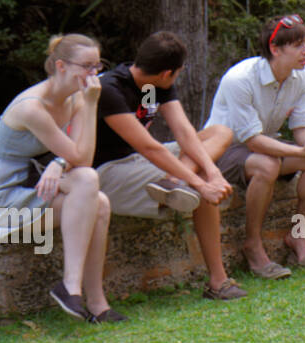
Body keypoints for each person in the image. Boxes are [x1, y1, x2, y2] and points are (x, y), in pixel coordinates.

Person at [0, 34, 121, 323]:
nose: (95, 74)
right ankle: (70, 287)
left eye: (98, 65)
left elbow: (83, 157)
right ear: (61, 66)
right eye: (87, 66)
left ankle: (95, 301)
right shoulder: (32, 108)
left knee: (99, 200)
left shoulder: (78, 99)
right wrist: (64, 157)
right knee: (90, 185)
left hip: (36, 186)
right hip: (2, 198)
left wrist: (59, 161)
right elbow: (80, 158)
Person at [93, 31, 246, 301]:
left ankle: (175, 183)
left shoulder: (157, 84)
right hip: (108, 170)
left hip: (144, 160)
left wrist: (213, 172)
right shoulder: (110, 89)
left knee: (220, 132)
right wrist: (201, 183)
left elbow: (184, 132)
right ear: (168, 73)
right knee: (200, 188)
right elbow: (149, 147)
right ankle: (219, 280)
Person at [209, 14, 305, 277]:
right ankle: (253, 246)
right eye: (298, 45)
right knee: (267, 165)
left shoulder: (301, 77)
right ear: (275, 49)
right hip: (225, 151)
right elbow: (252, 140)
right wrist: (301, 151)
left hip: (266, 146)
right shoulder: (240, 79)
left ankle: (298, 237)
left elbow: (302, 126)